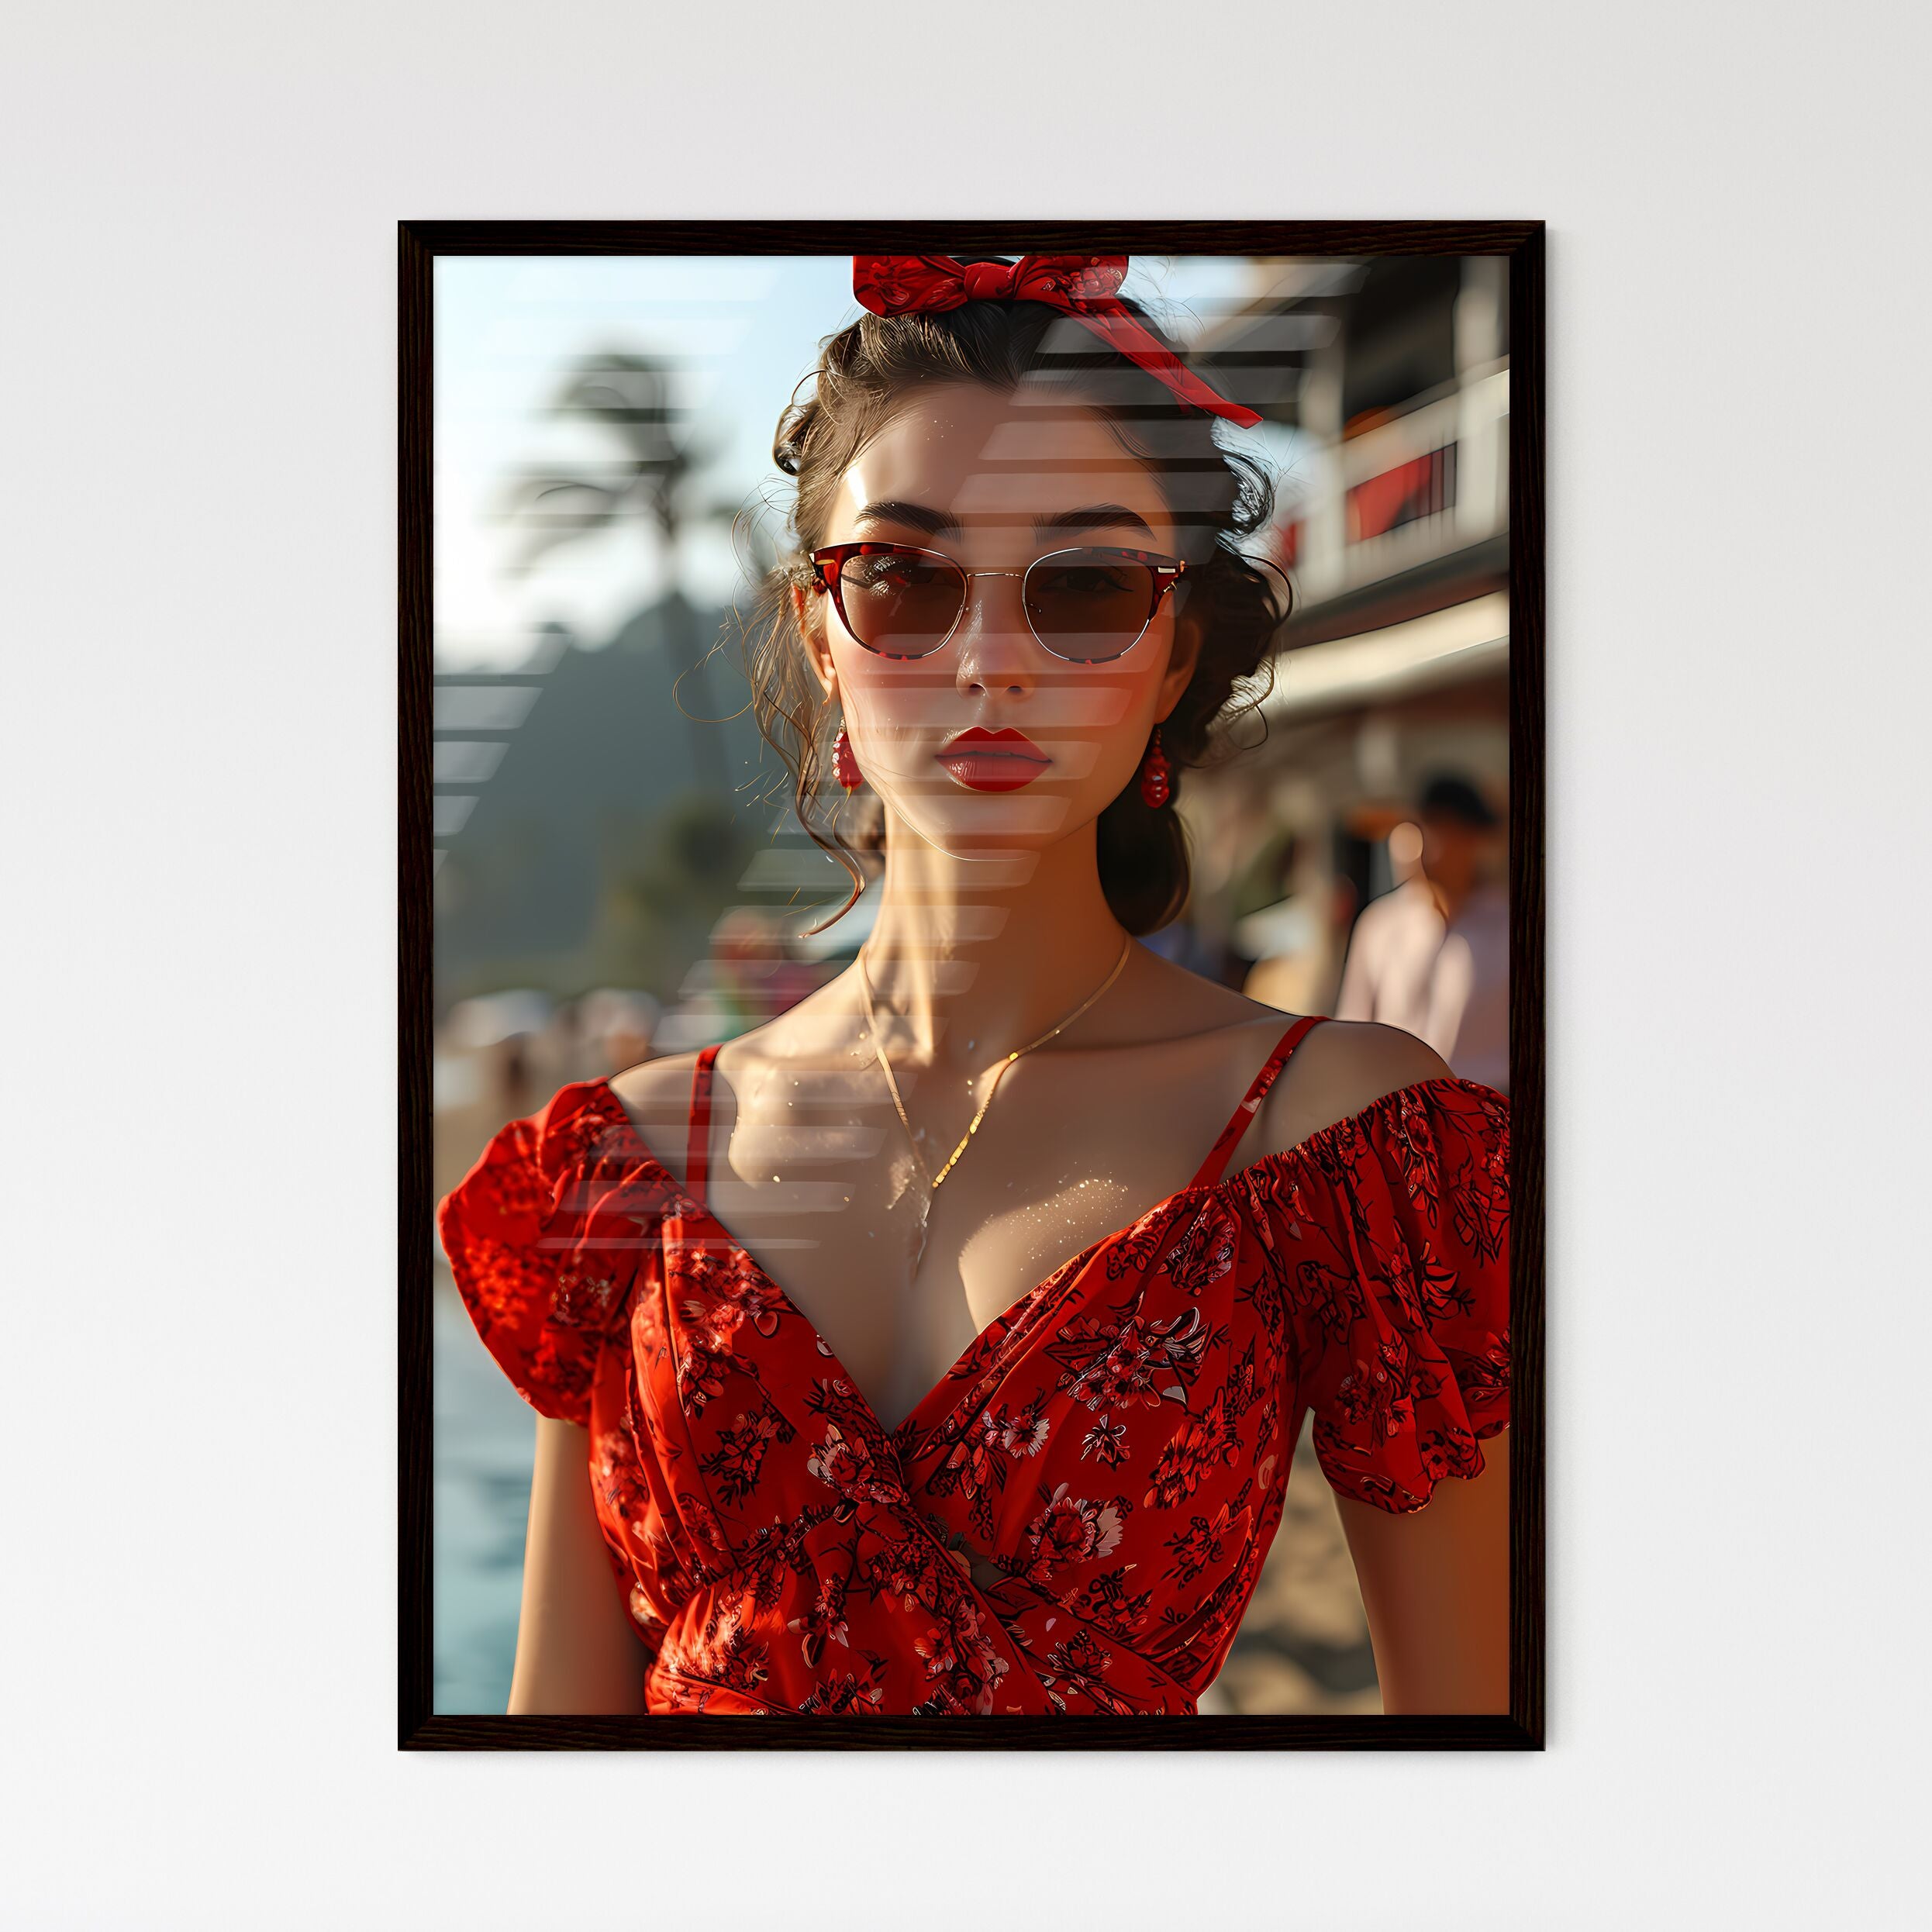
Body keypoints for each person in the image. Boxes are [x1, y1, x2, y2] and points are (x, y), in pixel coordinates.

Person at [437, 252, 1512, 1718]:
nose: (989, 658)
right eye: (904, 577)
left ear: (1170, 648)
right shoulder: (624, 1159)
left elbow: (1469, 1745)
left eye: (1079, 584)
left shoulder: (1337, 1140)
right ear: (821, 634)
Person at [1334, 774, 1511, 1092]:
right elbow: (1352, 1033)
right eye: (1417, 829)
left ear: (1472, 840)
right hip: (1398, 1114)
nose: (1422, 845)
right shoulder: (1380, 925)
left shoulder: (1508, 927)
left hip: (1486, 1114)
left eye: (1441, 830)